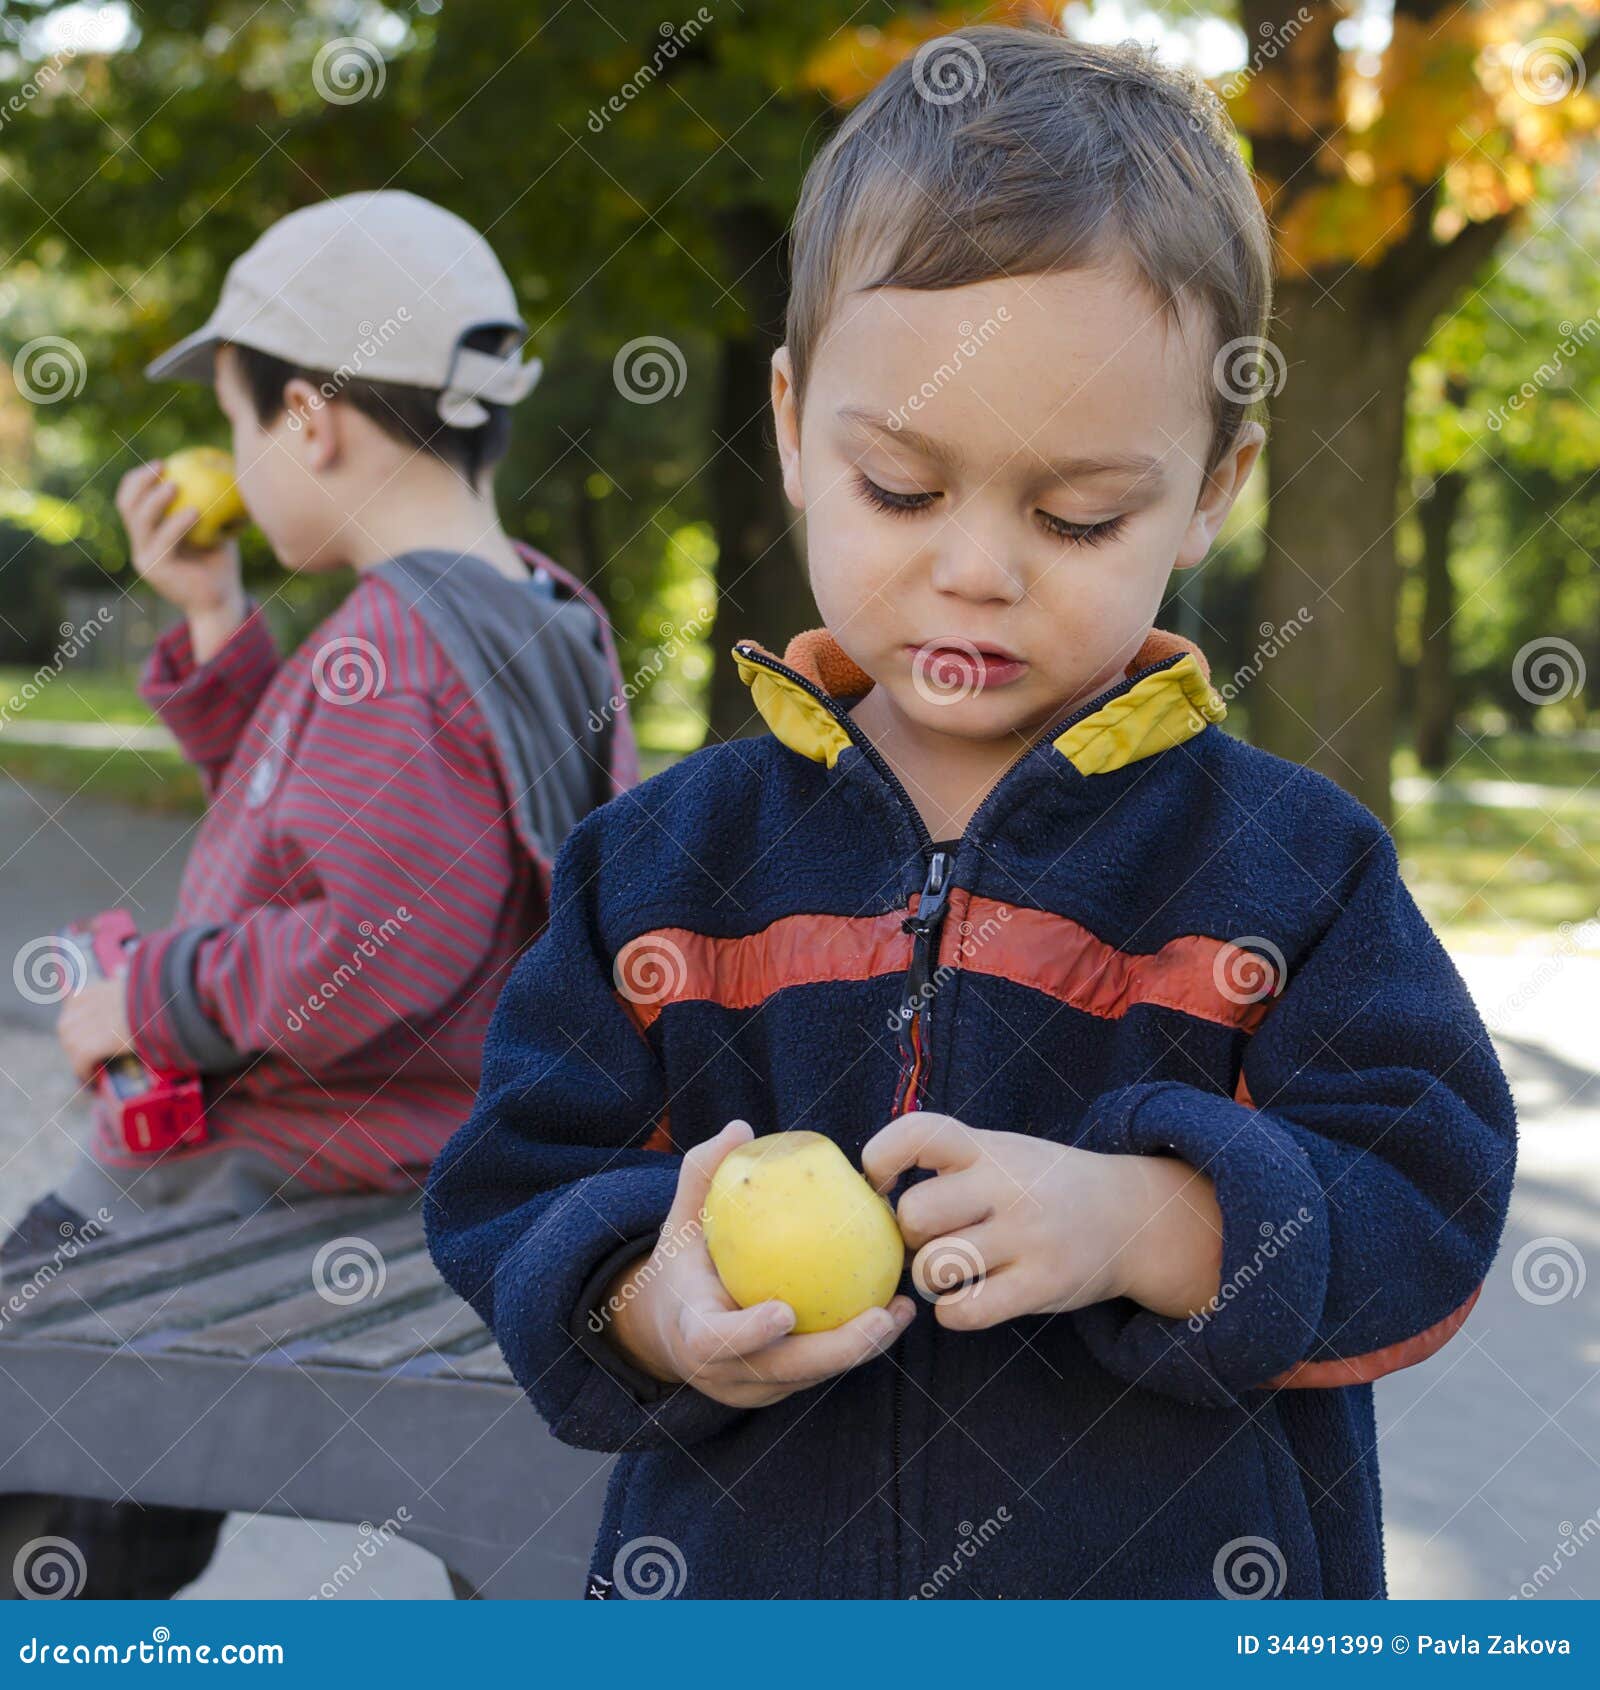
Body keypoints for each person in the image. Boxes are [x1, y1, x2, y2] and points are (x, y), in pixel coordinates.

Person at [423, 28, 1517, 1600]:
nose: (980, 570)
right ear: (797, 429)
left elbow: (1431, 1191)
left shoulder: (1293, 869)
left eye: (1080, 514)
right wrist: (651, 1307)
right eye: (904, 490)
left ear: (1216, 482)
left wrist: (1158, 1220)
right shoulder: (662, 870)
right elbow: (511, 1186)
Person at [2, 189, 636, 1597]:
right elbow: (334, 827)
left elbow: (370, 943)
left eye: (238, 421)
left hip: (303, 1167)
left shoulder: (395, 647)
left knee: (34, 1318)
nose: (231, 455)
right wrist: (220, 620)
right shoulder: (537, 608)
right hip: (435, 1146)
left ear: (313, 422)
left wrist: (147, 1002)